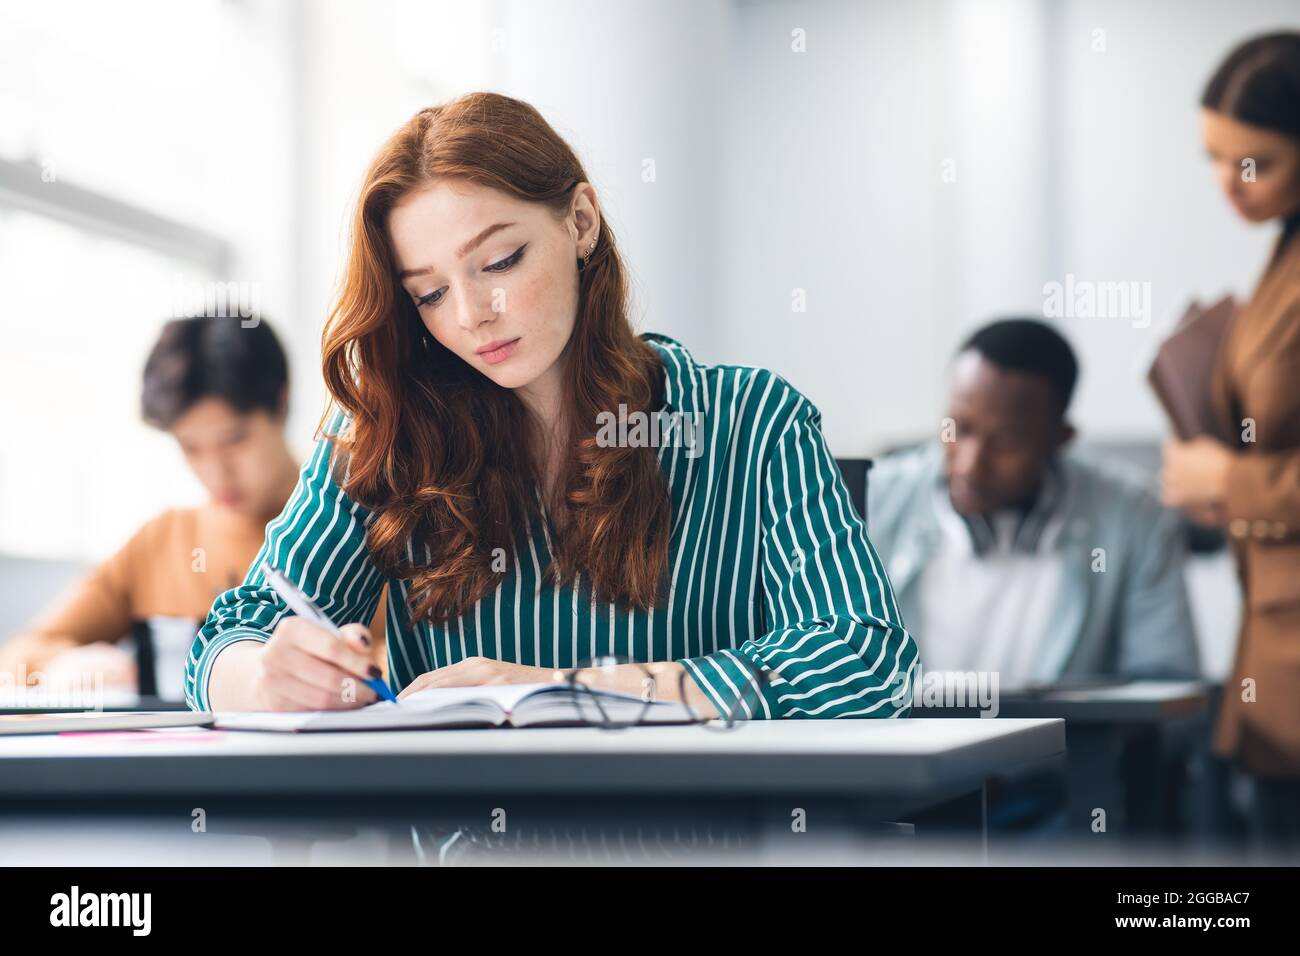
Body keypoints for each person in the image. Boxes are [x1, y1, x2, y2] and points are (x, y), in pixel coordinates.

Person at [185, 91, 916, 721]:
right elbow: (229, 640)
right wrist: (262, 676)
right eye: (430, 293)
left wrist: (561, 694)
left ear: (581, 222)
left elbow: (864, 658)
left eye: (500, 262)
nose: (471, 314)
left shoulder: (753, 421)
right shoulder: (386, 435)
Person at [0, 316, 385, 695]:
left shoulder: (362, 525)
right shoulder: (160, 542)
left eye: (234, 440)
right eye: (191, 447)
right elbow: (17, 658)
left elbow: (411, 668)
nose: (217, 472)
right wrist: (63, 665)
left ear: (280, 404)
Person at [869, 319, 1200, 689]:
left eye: (1007, 442)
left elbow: (1167, 694)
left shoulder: (1137, 520)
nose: (969, 465)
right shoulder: (868, 502)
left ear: (1060, 439)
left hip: (1069, 748)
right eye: (958, 428)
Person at [1161, 31, 1300, 846]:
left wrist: (1232, 485)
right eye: (1214, 157)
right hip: (1274, 637)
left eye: (1255, 163)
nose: (1229, 185)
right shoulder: (1282, 251)